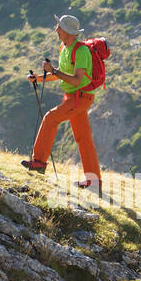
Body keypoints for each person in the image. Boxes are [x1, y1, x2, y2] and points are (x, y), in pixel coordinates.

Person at [20, 14, 102, 190]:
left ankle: (39, 161)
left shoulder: (81, 51)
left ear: (68, 32)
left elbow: (76, 81)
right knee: (83, 138)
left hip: (81, 97)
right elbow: (61, 74)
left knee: (50, 118)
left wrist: (54, 71)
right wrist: (38, 78)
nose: (56, 29)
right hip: (73, 97)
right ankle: (94, 181)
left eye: (59, 27)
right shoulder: (64, 48)